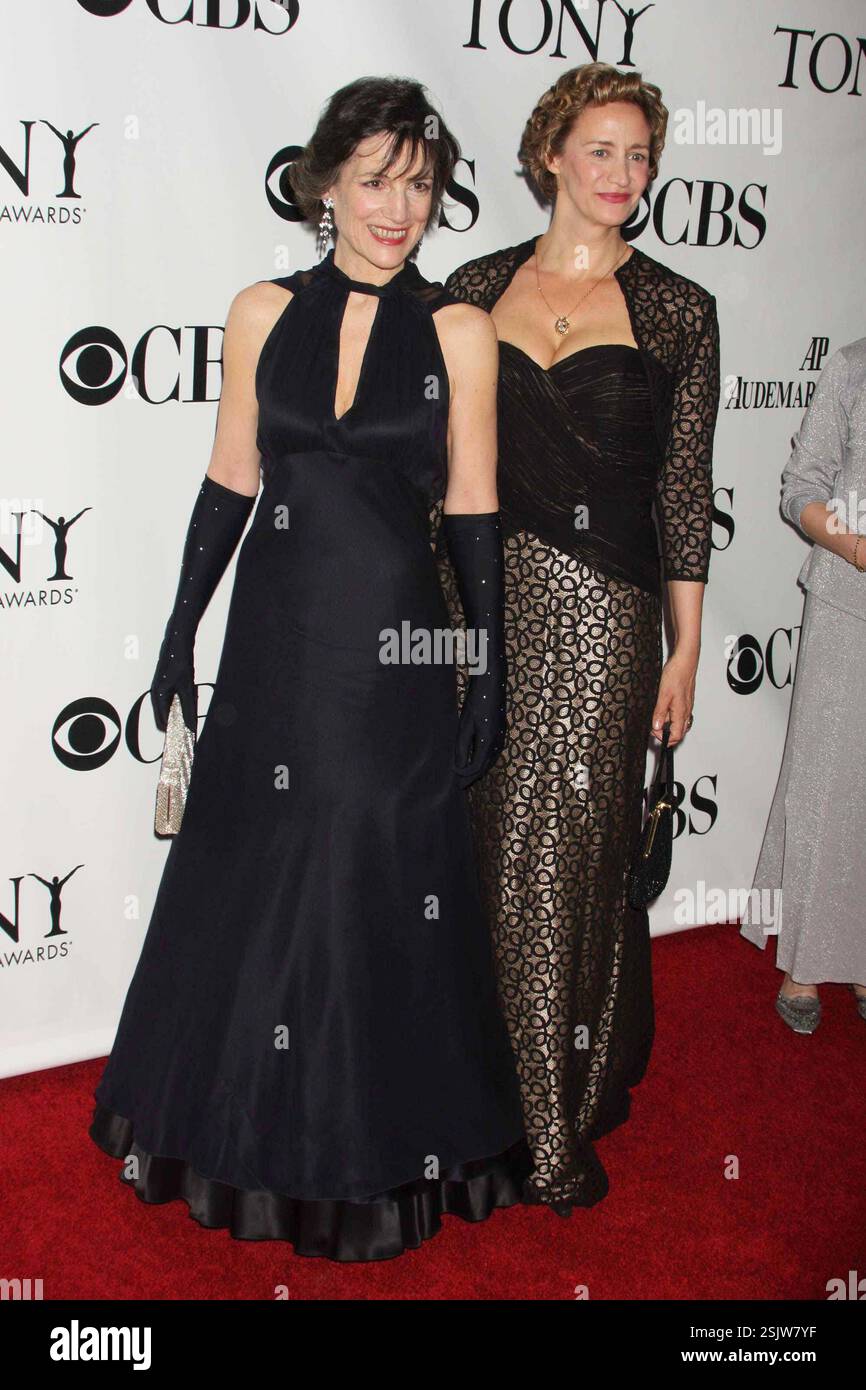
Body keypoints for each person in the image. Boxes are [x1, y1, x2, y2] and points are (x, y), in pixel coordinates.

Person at [88, 76, 533, 1262]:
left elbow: (474, 511)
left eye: (422, 185)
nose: (400, 209)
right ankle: (239, 1133)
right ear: (323, 182)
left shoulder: (459, 331)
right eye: (376, 180)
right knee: (256, 875)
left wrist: (482, 669)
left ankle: (370, 1156)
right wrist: (181, 629)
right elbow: (232, 477)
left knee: (371, 882)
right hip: (276, 643)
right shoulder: (258, 311)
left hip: (393, 647)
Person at [438, 62, 720, 1214]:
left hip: (604, 613)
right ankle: (469, 1085)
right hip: (471, 599)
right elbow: (429, 466)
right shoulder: (466, 285)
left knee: (567, 847)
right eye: (599, 150)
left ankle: (546, 1116)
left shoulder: (674, 308)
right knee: (477, 839)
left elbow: (684, 494)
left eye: (638, 156)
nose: (620, 175)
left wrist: (684, 649)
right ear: (550, 152)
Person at [741, 338, 866, 1033]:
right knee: (824, 786)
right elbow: (801, 492)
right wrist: (855, 548)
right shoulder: (853, 366)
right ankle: (807, 964)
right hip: (850, 602)